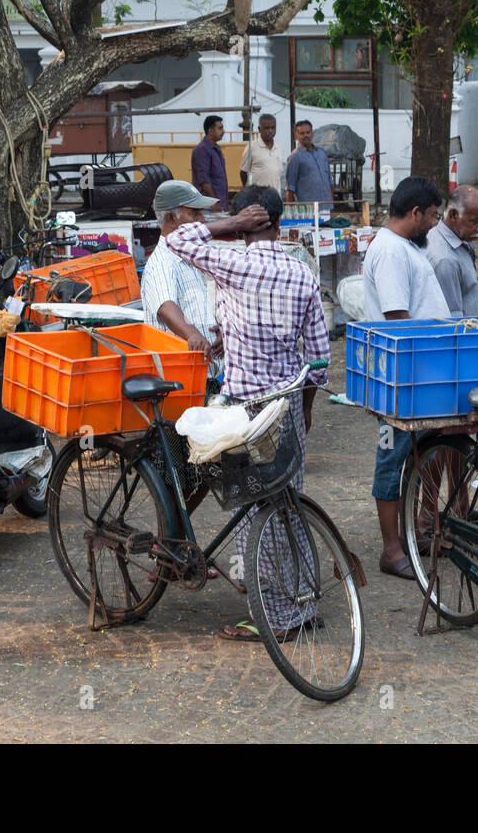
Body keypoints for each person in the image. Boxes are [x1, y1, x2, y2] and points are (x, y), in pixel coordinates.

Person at [165, 185, 330, 640]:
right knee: (289, 505)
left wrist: (229, 226)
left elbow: (176, 240)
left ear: (245, 224)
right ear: (279, 223)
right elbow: (318, 359)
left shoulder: (233, 261)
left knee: (251, 512)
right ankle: (302, 600)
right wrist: (307, 409)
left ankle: (274, 619)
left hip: (246, 410)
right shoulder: (302, 272)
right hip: (289, 405)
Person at [362, 176, 448, 579]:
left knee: (419, 451)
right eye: (432, 216)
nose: (434, 224)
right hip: (403, 374)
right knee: (392, 459)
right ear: (415, 213)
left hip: (421, 372)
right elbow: (398, 319)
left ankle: (417, 534)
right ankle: (392, 549)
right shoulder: (392, 253)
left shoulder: (403, 248)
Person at [140, 180, 223, 383]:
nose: (201, 220)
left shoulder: (192, 255)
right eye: (194, 214)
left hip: (209, 374)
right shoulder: (161, 262)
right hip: (180, 379)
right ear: (171, 218)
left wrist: (222, 326)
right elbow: (166, 307)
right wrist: (192, 334)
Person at [426, 184, 478, 317]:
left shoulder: (462, 240)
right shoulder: (445, 260)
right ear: (454, 215)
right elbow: (453, 321)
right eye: (475, 221)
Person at [285, 120, 334, 204]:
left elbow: (330, 181)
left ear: (312, 134)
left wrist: (332, 203)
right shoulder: (295, 157)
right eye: (302, 133)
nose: (306, 135)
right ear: (296, 136)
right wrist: (291, 210)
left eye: (308, 132)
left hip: (325, 206)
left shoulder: (322, 153)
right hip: (307, 209)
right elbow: (290, 188)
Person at [191, 115, 230, 209]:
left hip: (219, 204)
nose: (223, 131)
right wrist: (214, 203)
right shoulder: (202, 150)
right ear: (210, 131)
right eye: (220, 128)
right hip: (209, 206)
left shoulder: (216, 149)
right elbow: (204, 181)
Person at [239, 114, 285, 191]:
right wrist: (248, 191)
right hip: (258, 198)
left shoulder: (278, 147)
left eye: (273, 128)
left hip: (275, 197)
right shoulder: (251, 147)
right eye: (267, 128)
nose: (270, 131)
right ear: (259, 129)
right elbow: (243, 173)